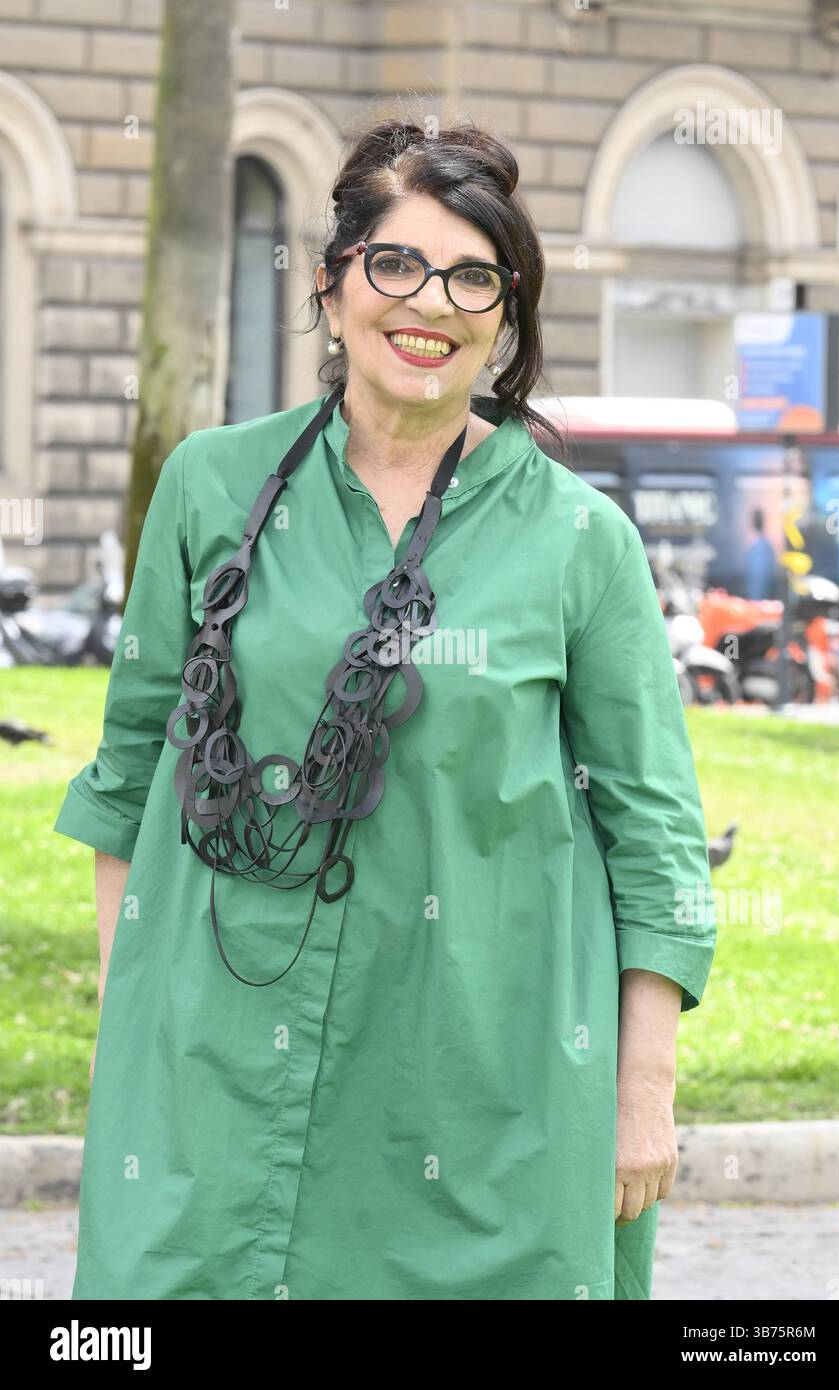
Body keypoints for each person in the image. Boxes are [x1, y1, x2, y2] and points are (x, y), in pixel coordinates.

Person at [53, 118, 716, 1301]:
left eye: (474, 276)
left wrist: (640, 1095)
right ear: (331, 280)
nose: (432, 303)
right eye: (396, 263)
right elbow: (129, 769)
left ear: (505, 313)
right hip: (214, 1083)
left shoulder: (579, 541)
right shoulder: (210, 484)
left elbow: (654, 840)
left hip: (480, 1091)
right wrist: (135, 1019)